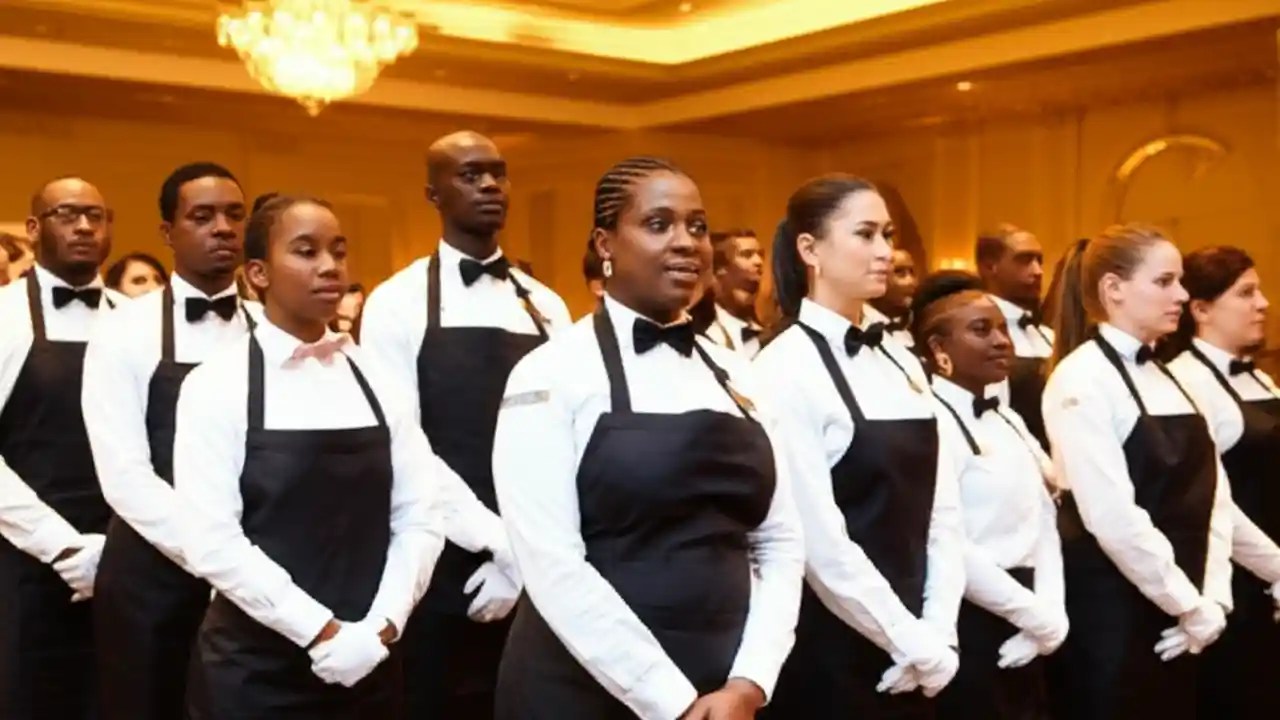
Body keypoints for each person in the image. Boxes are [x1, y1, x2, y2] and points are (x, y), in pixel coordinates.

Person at [491, 155, 803, 720]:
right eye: (659, 224)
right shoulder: (549, 373)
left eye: (697, 227)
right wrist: (673, 701)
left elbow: (780, 541)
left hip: (727, 690)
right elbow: (551, 562)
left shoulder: (741, 375)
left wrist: (750, 681)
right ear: (605, 243)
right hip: (583, 688)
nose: (687, 242)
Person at [172, 195, 446, 718]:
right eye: (306, 251)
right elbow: (212, 541)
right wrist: (320, 631)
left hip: (371, 659)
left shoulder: (378, 380)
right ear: (258, 273)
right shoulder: (216, 386)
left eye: (338, 252)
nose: (329, 266)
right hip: (254, 671)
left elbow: (419, 517)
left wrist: (381, 627)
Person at [361, 130, 571, 718]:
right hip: (438, 553)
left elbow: (566, 440)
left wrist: (527, 552)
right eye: (469, 174)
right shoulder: (394, 302)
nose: (489, 185)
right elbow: (405, 446)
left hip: (542, 555)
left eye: (498, 173)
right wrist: (494, 540)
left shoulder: (547, 305)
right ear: (433, 194)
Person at [755, 174, 964, 719]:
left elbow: (941, 514)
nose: (885, 253)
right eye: (865, 235)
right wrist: (904, 638)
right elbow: (820, 545)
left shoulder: (899, 357)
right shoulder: (782, 369)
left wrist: (939, 634)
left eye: (888, 235)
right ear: (810, 249)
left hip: (923, 646)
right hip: (834, 648)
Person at [1042, 224, 1234, 720]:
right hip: (1114, 611)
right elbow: (1110, 516)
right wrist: (1185, 603)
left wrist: (1212, 597)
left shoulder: (1169, 375)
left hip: (1182, 608)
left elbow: (1213, 497)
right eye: (1166, 281)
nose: (1183, 295)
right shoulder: (1081, 377)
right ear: (1114, 289)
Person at [82, 162, 251, 720]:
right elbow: (124, 476)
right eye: (202, 217)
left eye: (233, 215)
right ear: (168, 232)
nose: (222, 228)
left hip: (262, 576)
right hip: (153, 578)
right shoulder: (122, 329)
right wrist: (219, 556)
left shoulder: (270, 328)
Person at [911, 271, 1066, 720]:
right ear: (939, 349)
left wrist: (1051, 614)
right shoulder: (930, 421)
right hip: (970, 612)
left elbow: (1046, 516)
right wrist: (1031, 614)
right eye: (982, 330)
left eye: (1003, 328)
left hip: (1032, 608)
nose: (1002, 341)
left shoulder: (1010, 419)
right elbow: (947, 538)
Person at [0, 177, 123, 719]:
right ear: (33, 229)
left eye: (96, 216)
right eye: (67, 215)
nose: (84, 227)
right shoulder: (1, 315)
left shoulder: (138, 320)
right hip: (21, 560)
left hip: (131, 559)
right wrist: (64, 547)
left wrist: (121, 552)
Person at [1162, 246, 1280, 720]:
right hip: (1237, 586)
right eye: (1246, 293)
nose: (1264, 303)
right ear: (1202, 309)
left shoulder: (1263, 379)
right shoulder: (1186, 382)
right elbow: (1210, 499)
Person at [977, 224, 1053, 446]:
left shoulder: (1047, 335)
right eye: (1024, 260)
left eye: (1039, 261)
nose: (1037, 271)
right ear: (990, 267)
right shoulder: (976, 336)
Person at [704, 229, 766, 358]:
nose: (759, 261)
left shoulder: (767, 335)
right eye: (747, 254)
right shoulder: (704, 335)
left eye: (761, 255)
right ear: (719, 269)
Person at [870, 247, 920, 348]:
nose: (911, 282)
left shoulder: (916, 326)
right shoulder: (861, 330)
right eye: (900, 273)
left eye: (912, 272)